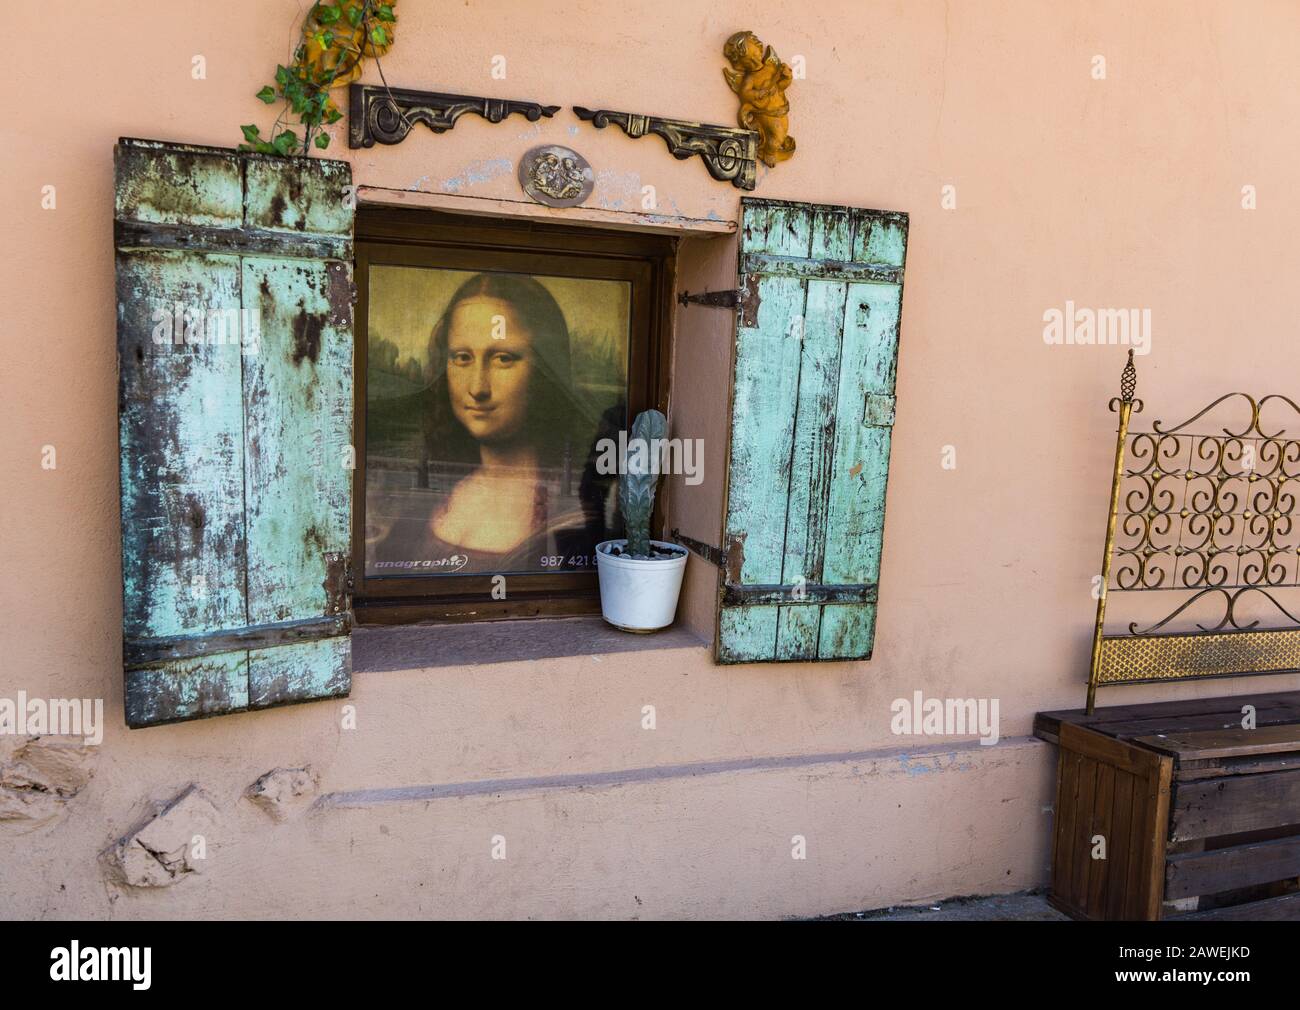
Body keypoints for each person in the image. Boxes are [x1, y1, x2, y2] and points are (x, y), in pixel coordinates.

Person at [370, 272, 613, 574]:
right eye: (462, 357)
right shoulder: (432, 494)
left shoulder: (570, 512)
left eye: (503, 358)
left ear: (544, 374)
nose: (478, 387)